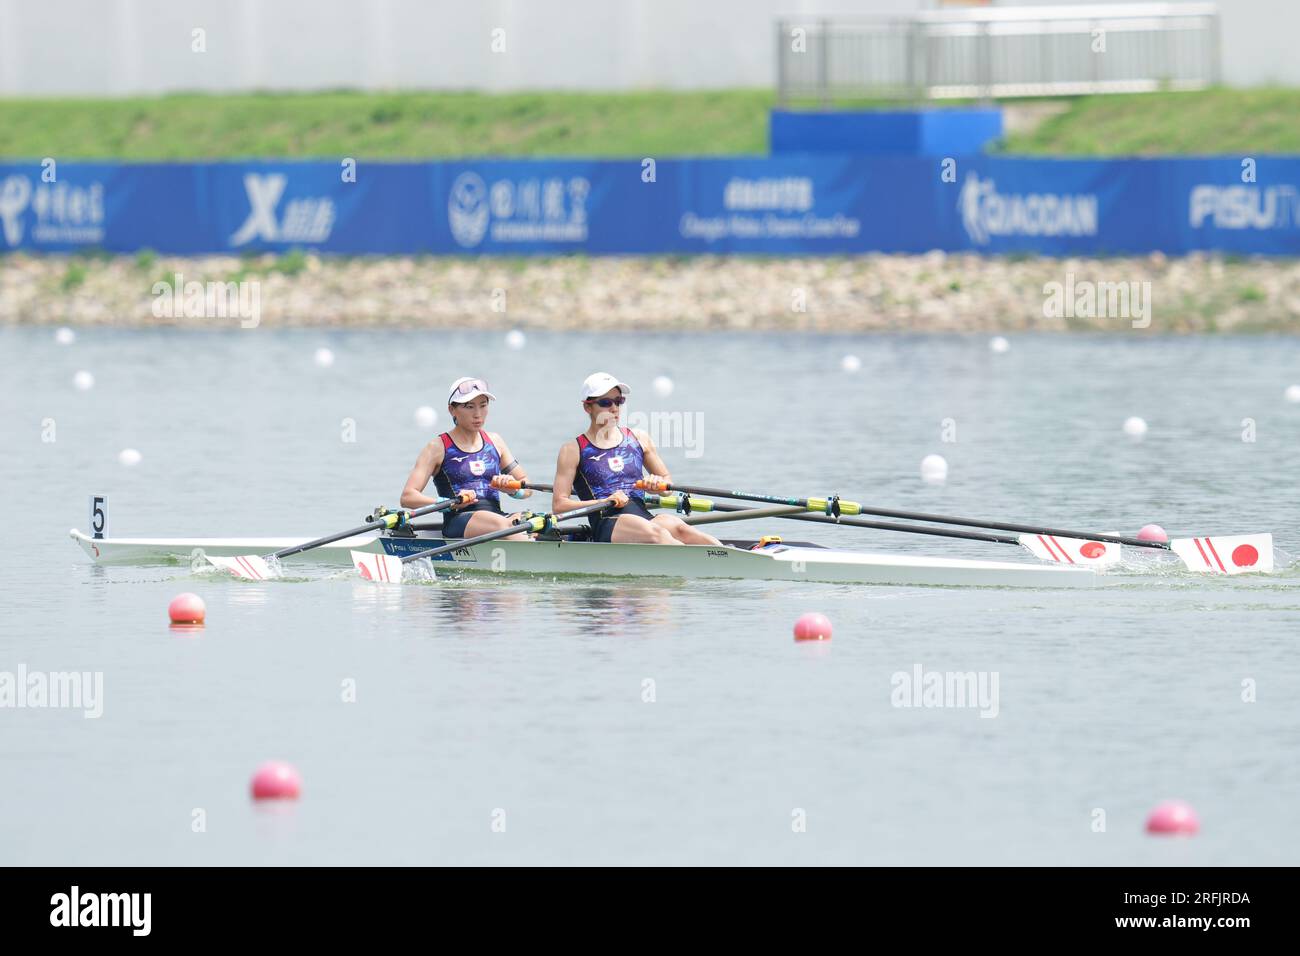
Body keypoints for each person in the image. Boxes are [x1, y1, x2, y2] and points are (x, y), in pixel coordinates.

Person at [551, 372, 721, 546]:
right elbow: (559, 505)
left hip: (644, 518)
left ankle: (726, 555)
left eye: (619, 401)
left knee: (682, 529)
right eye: (605, 402)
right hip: (608, 521)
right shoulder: (573, 449)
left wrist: (657, 485)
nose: (614, 408)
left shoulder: (639, 438)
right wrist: (604, 501)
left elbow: (667, 485)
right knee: (659, 534)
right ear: (588, 407)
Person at [400, 377, 532, 539]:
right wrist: (448, 502)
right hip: (459, 519)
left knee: (531, 521)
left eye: (483, 406)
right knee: (507, 526)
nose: (478, 414)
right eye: (469, 407)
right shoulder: (437, 447)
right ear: (452, 410)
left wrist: (514, 490)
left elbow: (528, 488)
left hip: (498, 518)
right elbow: (408, 497)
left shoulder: (496, 442)